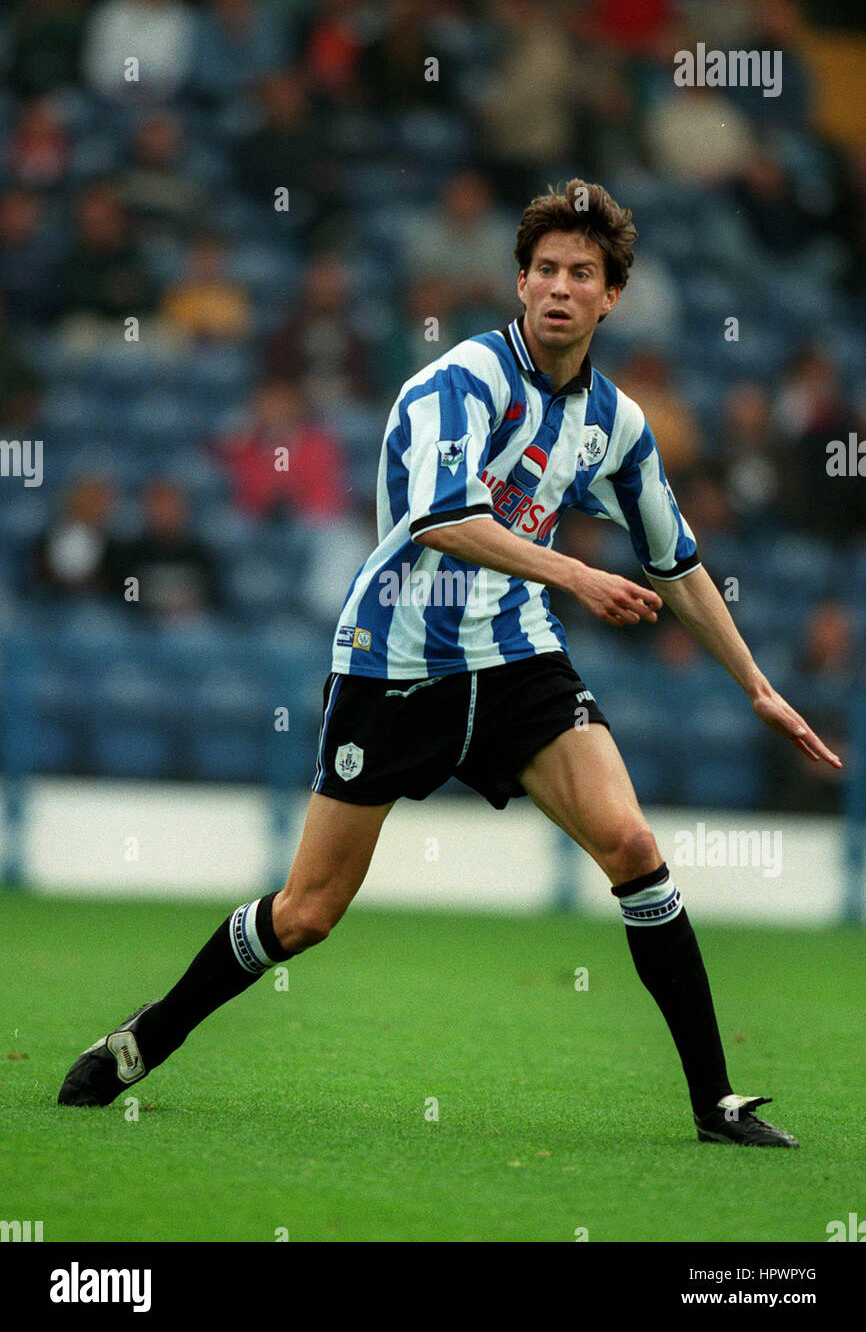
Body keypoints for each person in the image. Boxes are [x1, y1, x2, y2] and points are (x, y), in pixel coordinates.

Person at [58, 179, 841, 1147]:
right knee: (305, 914)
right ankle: (143, 1039)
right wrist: (573, 574)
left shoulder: (615, 422)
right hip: (395, 661)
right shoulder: (457, 383)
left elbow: (675, 560)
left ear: (611, 298)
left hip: (514, 657)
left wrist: (756, 686)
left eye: (580, 274)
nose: (559, 286)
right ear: (517, 281)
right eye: (544, 269)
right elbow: (442, 517)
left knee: (632, 847)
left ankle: (713, 1102)